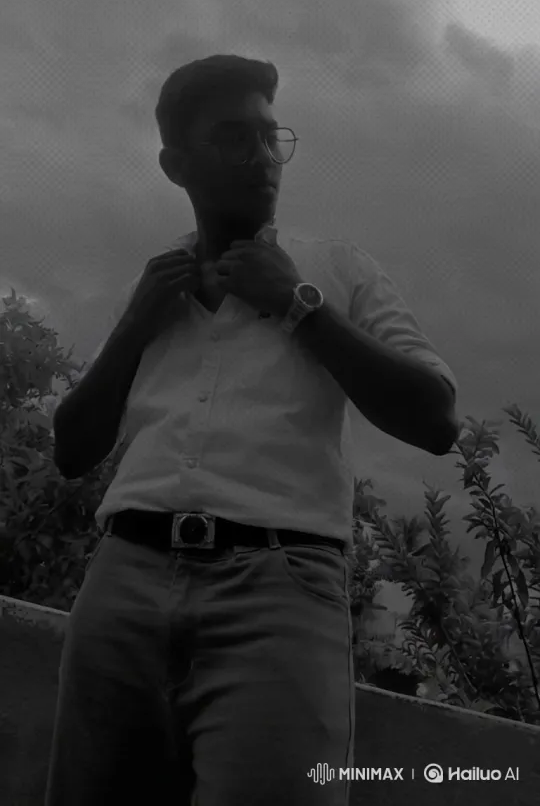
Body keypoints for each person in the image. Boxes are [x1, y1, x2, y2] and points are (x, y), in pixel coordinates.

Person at [45, 54, 459, 806]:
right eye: (235, 138)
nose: (262, 157)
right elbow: (71, 450)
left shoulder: (338, 270)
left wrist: (299, 305)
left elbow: (436, 418)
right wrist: (134, 327)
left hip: (280, 590)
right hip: (123, 583)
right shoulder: (156, 288)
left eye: (272, 137)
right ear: (176, 164)